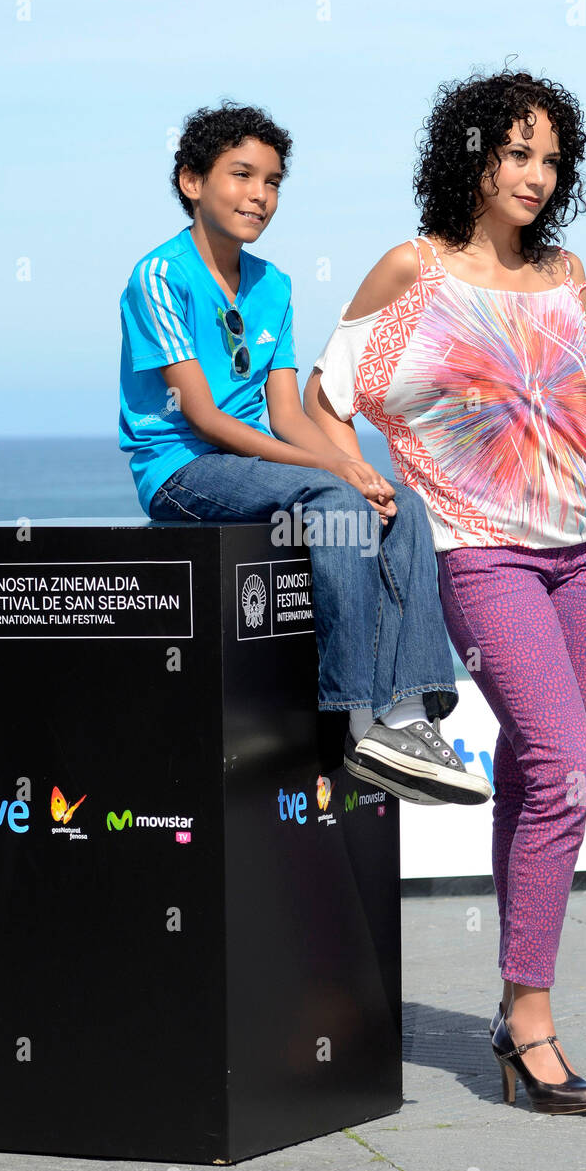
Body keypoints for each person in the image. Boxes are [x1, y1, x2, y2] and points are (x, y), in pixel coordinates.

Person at [303, 68, 586, 1114]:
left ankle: (513, 1010)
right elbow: (325, 396)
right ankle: (531, 1020)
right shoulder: (410, 270)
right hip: (480, 555)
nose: (535, 176)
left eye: (550, 159)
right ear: (471, 155)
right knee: (566, 768)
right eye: (515, 152)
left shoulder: (566, 274)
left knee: (534, 771)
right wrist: (357, 474)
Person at [118, 99, 491, 808]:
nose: (259, 194)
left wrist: (359, 468)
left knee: (398, 502)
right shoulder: (159, 276)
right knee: (335, 497)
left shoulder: (275, 285)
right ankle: (358, 718)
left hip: (255, 464)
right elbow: (202, 417)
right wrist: (332, 469)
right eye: (241, 175)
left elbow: (288, 414)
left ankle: (409, 718)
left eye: (273, 181)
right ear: (192, 181)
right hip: (181, 468)